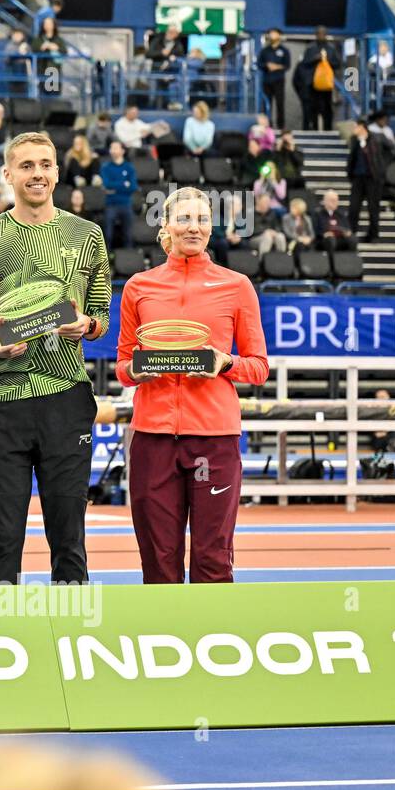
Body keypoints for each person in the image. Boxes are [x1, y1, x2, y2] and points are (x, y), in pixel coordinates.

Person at [0, 132, 110, 586]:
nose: (37, 174)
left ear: (57, 172)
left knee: (69, 536)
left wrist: (85, 324)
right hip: (3, 400)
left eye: (45, 164)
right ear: (8, 174)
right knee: (2, 536)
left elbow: (102, 316)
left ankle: (68, 639)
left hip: (66, 396)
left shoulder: (87, 235)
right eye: (26, 166)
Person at [117, 187, 268, 583]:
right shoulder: (138, 286)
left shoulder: (236, 285)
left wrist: (225, 362)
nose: (193, 228)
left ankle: (211, 640)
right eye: (184, 219)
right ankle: (161, 641)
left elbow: (258, 366)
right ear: (165, 226)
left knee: (212, 559)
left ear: (211, 227)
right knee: (158, 560)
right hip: (153, 438)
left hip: (214, 439)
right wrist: (137, 371)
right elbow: (122, 365)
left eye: (202, 219)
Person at [347, 118, 386, 242]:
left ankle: (373, 235)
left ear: (362, 127)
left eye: (355, 127)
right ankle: (351, 233)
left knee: (373, 208)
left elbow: (390, 148)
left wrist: (381, 168)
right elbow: (352, 158)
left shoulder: (375, 139)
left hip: (372, 178)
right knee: (353, 207)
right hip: (358, 178)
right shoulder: (354, 140)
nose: (353, 129)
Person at [298, 27, 340, 131]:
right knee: (313, 107)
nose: (321, 35)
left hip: (326, 84)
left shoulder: (331, 48)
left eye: (323, 33)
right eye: (319, 33)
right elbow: (304, 64)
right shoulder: (310, 48)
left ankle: (328, 129)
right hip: (313, 84)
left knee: (327, 108)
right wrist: (315, 59)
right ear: (316, 34)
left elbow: (337, 64)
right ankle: (314, 128)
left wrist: (326, 60)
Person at [99, 140, 137, 248]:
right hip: (111, 204)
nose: (113, 150)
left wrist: (114, 188)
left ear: (122, 151)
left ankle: (128, 260)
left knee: (128, 235)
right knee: (108, 235)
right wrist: (124, 184)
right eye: (111, 148)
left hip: (126, 204)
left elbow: (133, 187)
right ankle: (107, 260)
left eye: (115, 148)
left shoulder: (129, 167)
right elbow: (106, 184)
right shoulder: (105, 167)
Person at [258, 29, 292, 130]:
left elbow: (287, 65)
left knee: (280, 103)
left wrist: (277, 67)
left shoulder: (285, 50)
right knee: (266, 104)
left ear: (279, 35)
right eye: (270, 33)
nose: (272, 35)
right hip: (266, 81)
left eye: (274, 33)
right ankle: (267, 126)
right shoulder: (264, 50)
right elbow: (259, 64)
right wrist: (267, 65)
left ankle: (281, 127)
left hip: (279, 80)